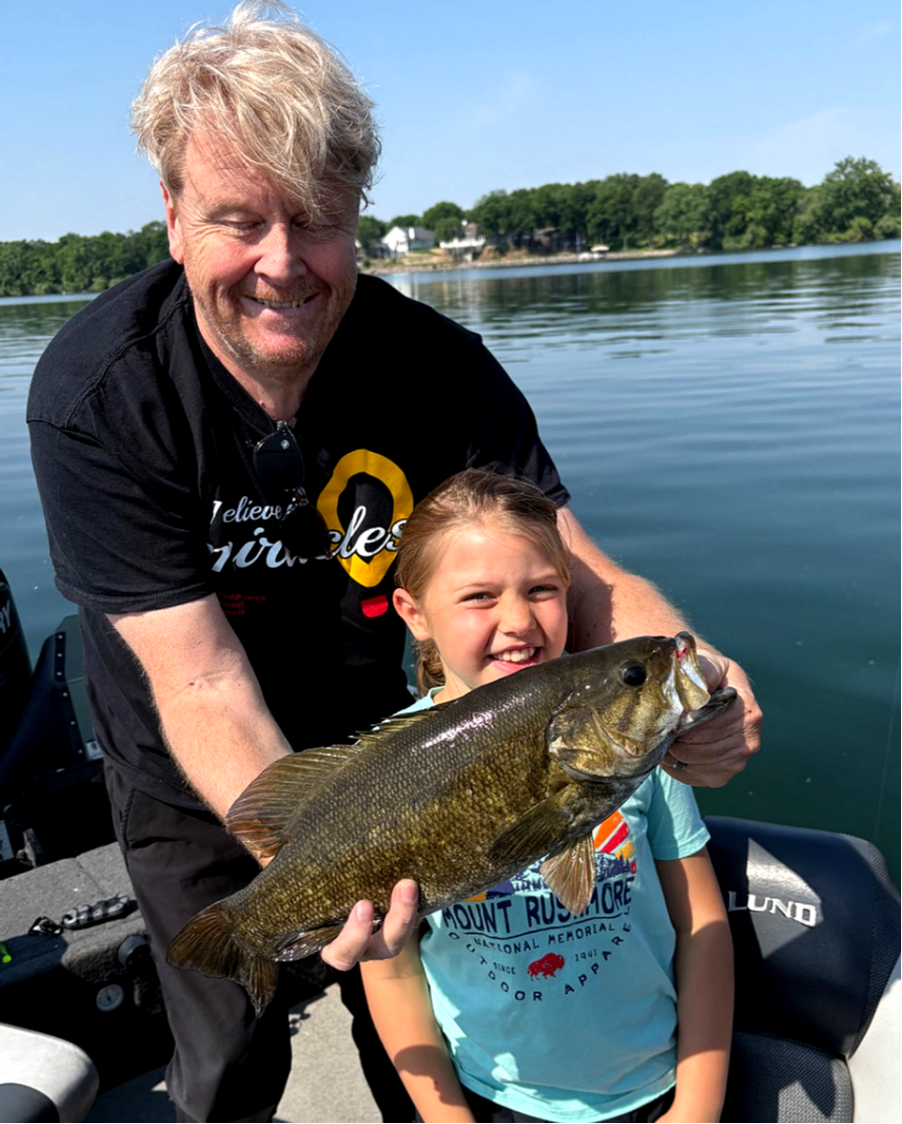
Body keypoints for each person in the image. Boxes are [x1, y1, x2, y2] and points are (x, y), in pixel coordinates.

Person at [25, 3, 758, 1121]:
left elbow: (581, 569)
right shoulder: (98, 397)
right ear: (171, 216)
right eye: (238, 221)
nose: (282, 264)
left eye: (314, 221)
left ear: (357, 216)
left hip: (411, 741)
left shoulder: (438, 371)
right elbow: (199, 678)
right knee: (224, 1050)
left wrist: (697, 674)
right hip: (192, 763)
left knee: (410, 1030)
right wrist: (307, 870)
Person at [362, 469, 734, 1124]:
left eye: (542, 589)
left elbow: (701, 927)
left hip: (653, 1091)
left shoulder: (634, 738)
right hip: (492, 1097)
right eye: (479, 596)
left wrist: (697, 1108)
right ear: (414, 614)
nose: (518, 620)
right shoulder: (391, 771)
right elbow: (391, 970)